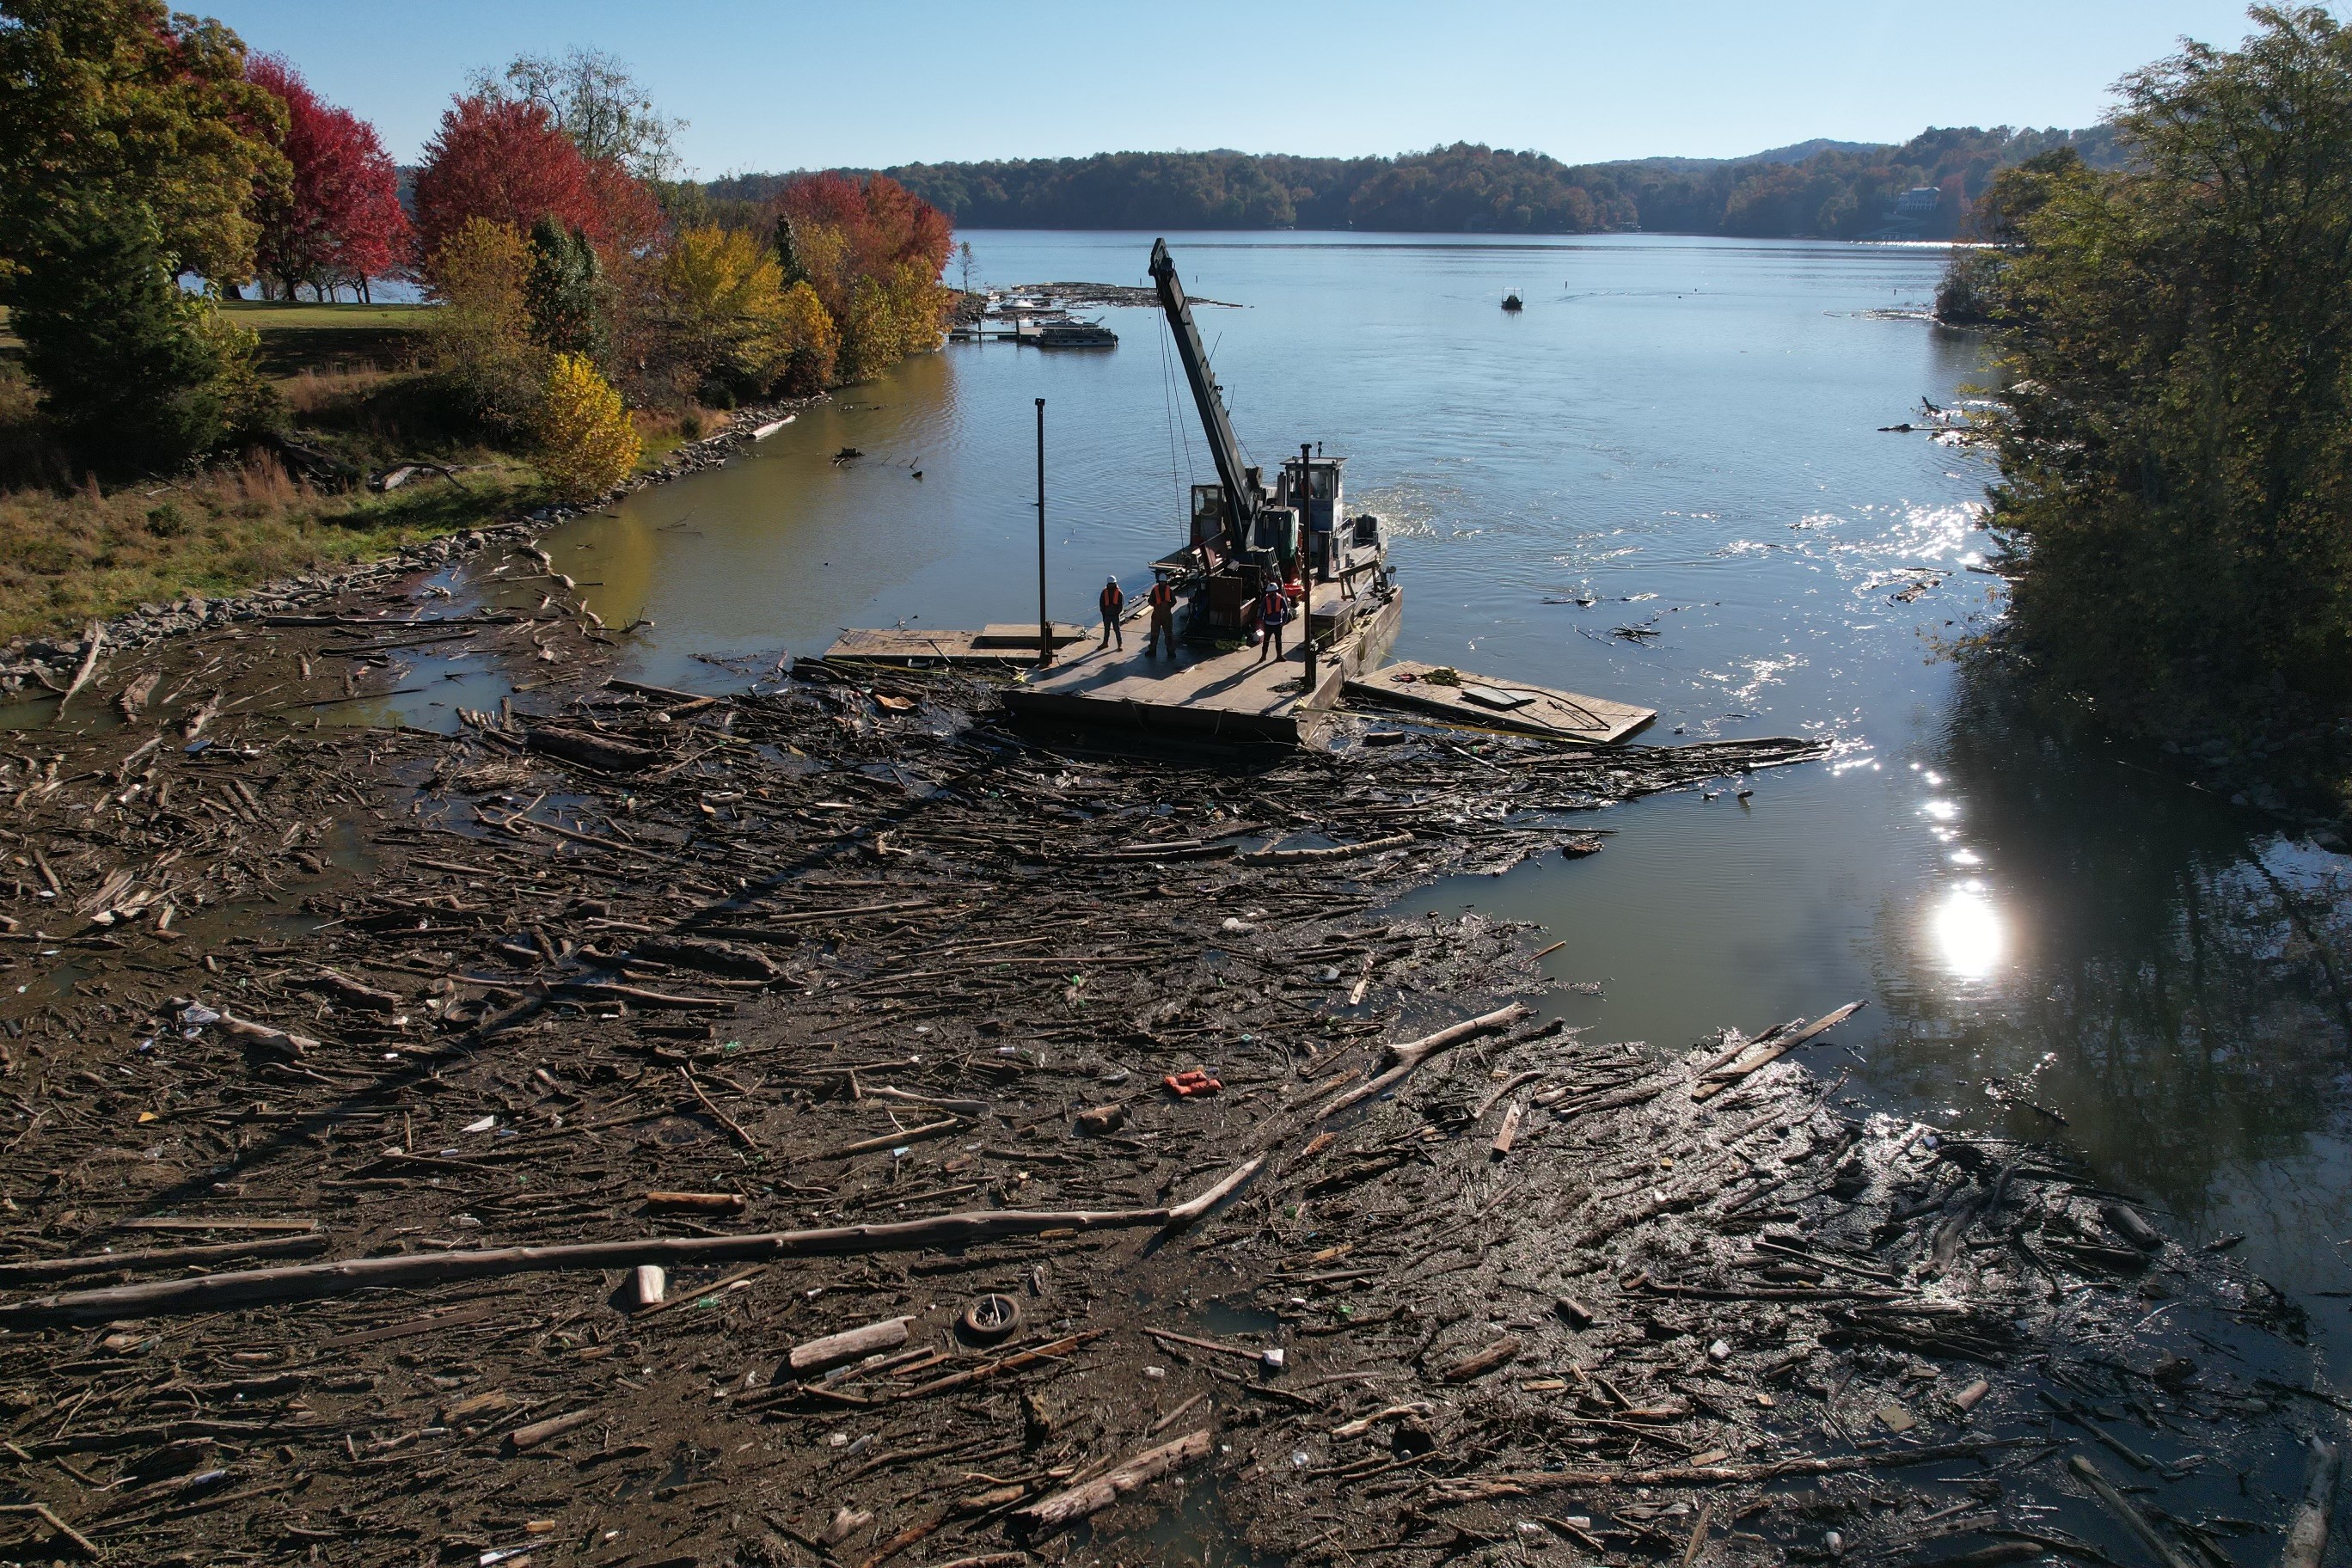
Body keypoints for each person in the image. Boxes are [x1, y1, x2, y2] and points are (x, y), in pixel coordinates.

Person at [1256, 579, 1289, 664]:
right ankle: (1263, 656)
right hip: (1268, 624)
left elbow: (1286, 610)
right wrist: (1261, 619)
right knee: (1266, 641)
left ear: (1274, 591)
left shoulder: (1281, 599)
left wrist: (1284, 621)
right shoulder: (1265, 599)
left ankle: (1279, 656)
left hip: (1278, 624)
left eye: (1270, 592)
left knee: (1278, 640)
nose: (1268, 594)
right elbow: (1262, 609)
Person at [1145, 577, 1178, 657]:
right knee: (1154, 634)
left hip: (1166, 616)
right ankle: (1152, 651)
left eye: (1164, 582)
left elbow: (1174, 601)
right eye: (1161, 582)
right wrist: (1156, 605)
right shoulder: (1154, 590)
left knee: (1169, 634)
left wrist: (1168, 606)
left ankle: (1171, 652)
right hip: (1156, 616)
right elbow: (1150, 600)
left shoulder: (1169, 590)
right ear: (1159, 582)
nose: (1163, 583)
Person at [1097, 577, 1124, 650]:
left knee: (1117, 630)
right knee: (1106, 630)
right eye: (1110, 584)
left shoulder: (1119, 593)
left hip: (1115, 615)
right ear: (1108, 584)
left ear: (1115, 583)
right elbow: (1101, 603)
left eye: (1112, 584)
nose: (1111, 585)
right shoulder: (1104, 592)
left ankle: (1119, 644)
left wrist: (1117, 613)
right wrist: (1103, 613)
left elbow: (1121, 605)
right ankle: (1105, 643)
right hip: (1107, 615)